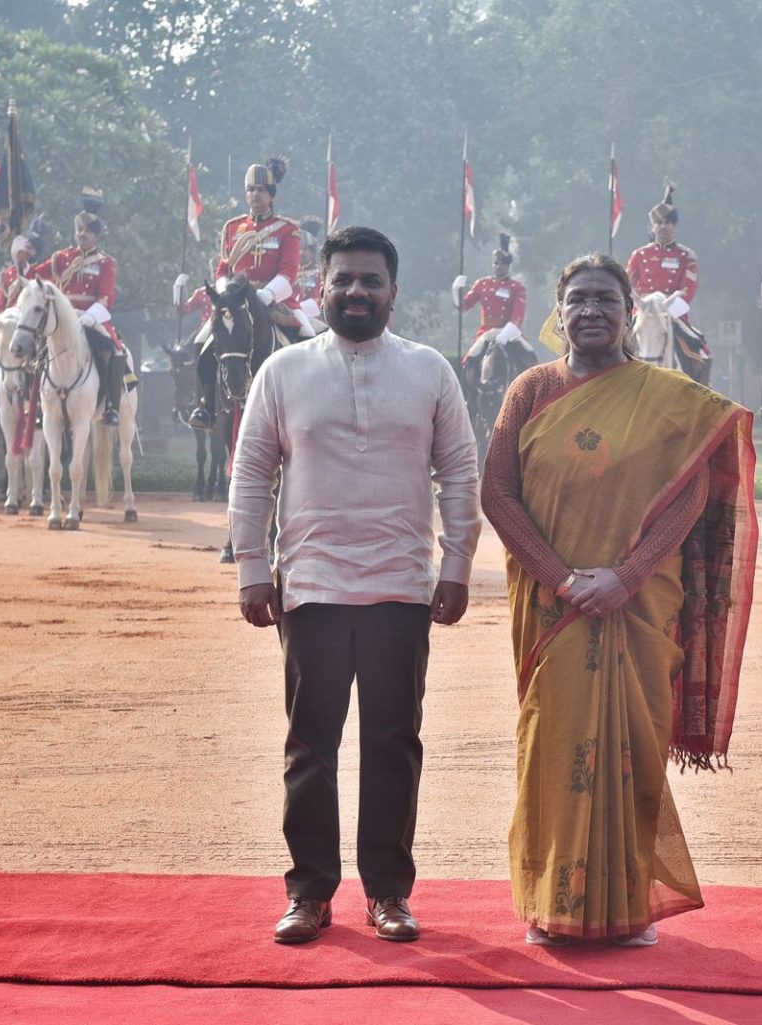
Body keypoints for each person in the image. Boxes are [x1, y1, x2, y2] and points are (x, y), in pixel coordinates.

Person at [480, 252, 756, 947]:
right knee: (551, 743)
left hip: (636, 604)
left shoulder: (666, 396)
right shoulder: (531, 390)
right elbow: (498, 493)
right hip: (555, 608)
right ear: (558, 309)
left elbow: (692, 488)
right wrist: (562, 577)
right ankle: (553, 903)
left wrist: (627, 576)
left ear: (630, 310)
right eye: (578, 299)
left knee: (633, 743)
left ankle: (626, 905)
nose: (591, 311)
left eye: (606, 299)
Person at [228, 226, 480, 946]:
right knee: (310, 745)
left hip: (401, 587)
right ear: (321, 288)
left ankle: (389, 893)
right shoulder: (283, 371)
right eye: (343, 280)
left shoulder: (430, 371)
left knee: (394, 742)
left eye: (371, 280)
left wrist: (456, 564)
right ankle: (309, 893)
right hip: (311, 587)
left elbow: (459, 472)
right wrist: (252, 567)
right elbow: (252, 474)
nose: (357, 291)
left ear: (393, 291)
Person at [186, 157, 303, 430]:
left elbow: (289, 272)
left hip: (273, 300)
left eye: (260, 190)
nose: (254, 195)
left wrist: (265, 296)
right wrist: (226, 294)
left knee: (307, 334)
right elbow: (222, 269)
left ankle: (304, 403)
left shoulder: (287, 229)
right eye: (250, 190)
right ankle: (205, 406)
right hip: (234, 301)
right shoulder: (232, 228)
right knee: (200, 343)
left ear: (271, 195)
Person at [29, 190, 127, 426]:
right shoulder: (61, 258)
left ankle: (111, 406)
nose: (82, 235)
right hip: (62, 319)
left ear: (96, 236)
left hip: (89, 318)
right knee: (34, 351)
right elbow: (33, 276)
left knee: (116, 352)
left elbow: (106, 297)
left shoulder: (106, 263)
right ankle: (39, 407)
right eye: (79, 230)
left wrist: (90, 317)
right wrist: (24, 252)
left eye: (88, 232)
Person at [626, 180, 709, 364]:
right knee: (612, 350)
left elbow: (688, 292)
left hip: (672, 313)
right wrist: (639, 309)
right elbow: (627, 287)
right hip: (642, 313)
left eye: (667, 222)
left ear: (674, 226)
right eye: (659, 223)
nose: (663, 226)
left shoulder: (687, 256)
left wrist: (667, 311)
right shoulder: (639, 254)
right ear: (653, 226)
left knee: (701, 354)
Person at [0, 226, 43, 424]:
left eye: (27, 248)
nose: (21, 252)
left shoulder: (38, 274)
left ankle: (38, 405)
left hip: (30, 332)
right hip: (6, 331)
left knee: (40, 360)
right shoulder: (7, 275)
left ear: (33, 252)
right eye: (20, 247)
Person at [453, 232, 530, 373]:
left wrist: (506, 334)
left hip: (509, 332)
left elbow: (518, 315)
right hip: (486, 333)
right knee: (470, 361)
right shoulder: (482, 284)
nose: (498, 267)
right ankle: (466, 390)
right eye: (496, 263)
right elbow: (463, 306)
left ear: (508, 266)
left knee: (530, 356)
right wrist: (456, 290)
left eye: (502, 264)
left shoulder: (517, 288)